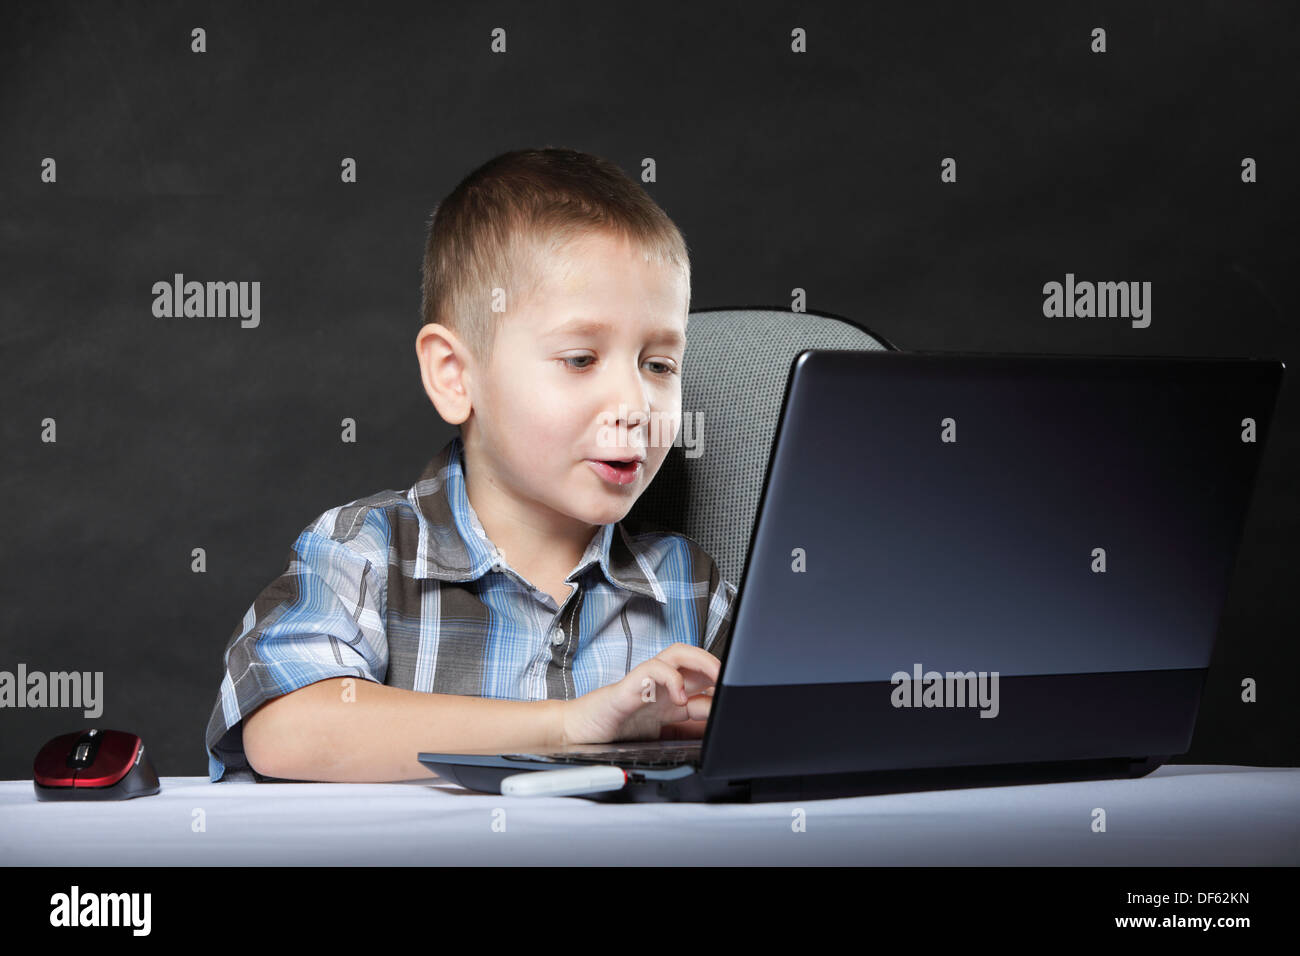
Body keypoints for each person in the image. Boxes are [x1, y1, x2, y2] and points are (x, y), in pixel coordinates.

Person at [204, 147, 737, 782]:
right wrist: (568, 727)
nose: (633, 405)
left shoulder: (692, 591)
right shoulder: (367, 553)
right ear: (456, 376)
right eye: (580, 359)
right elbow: (285, 725)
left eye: (658, 365)